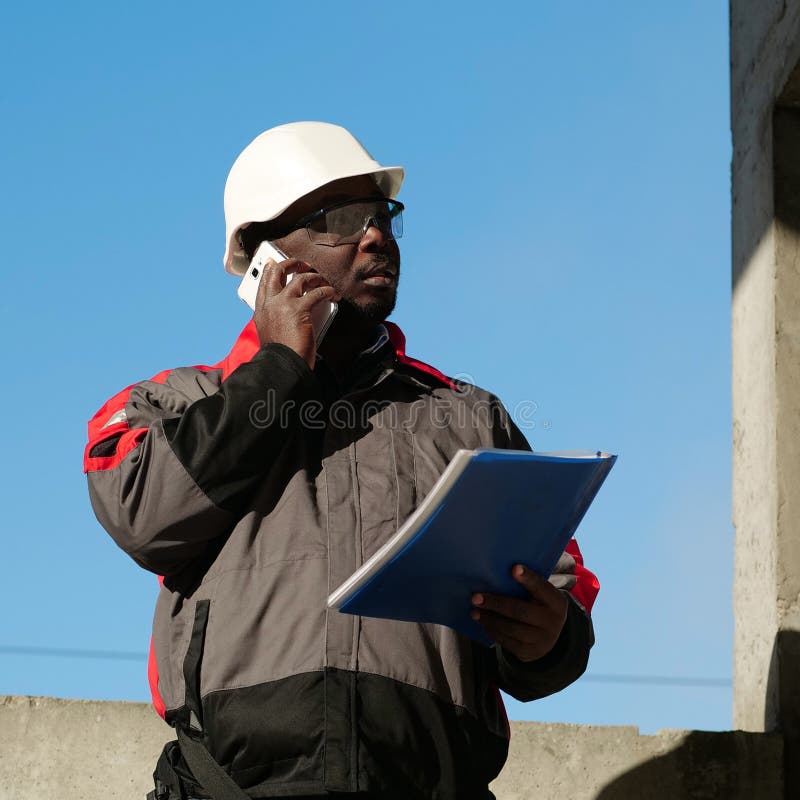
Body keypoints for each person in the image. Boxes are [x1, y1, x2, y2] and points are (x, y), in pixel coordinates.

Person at [84, 122, 598, 800]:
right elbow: (143, 516)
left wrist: (552, 636)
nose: (377, 236)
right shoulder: (173, 404)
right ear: (268, 258)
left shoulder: (469, 418)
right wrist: (276, 369)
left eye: (383, 216)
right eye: (345, 220)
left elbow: (559, 593)